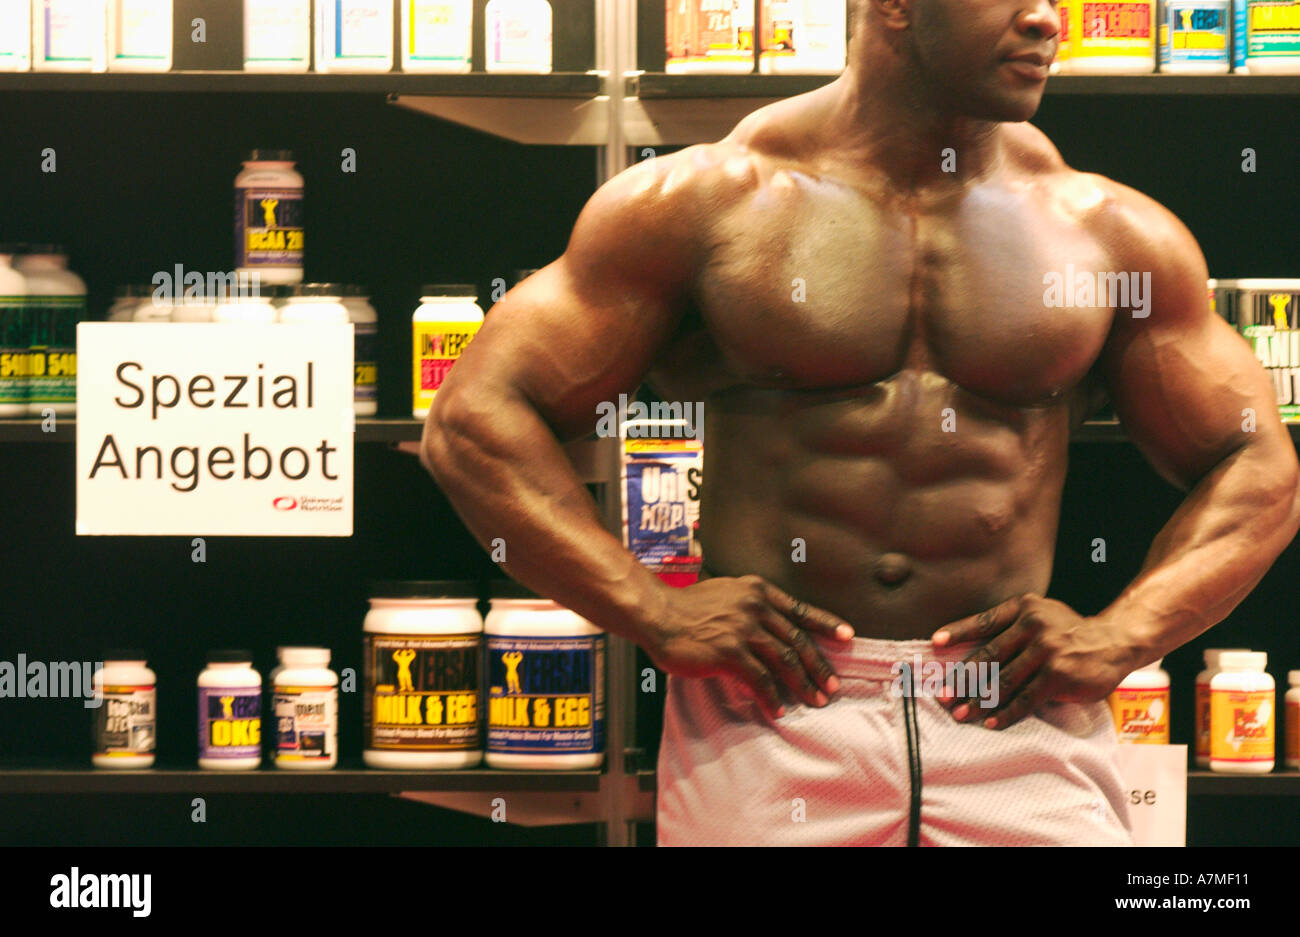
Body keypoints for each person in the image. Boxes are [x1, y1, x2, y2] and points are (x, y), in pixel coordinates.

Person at [420, 0, 1300, 845]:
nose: (1044, 17)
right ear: (895, 4)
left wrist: (1125, 634)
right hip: (771, 719)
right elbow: (473, 419)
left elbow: (1259, 465)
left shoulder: (1105, 231)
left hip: (1015, 713)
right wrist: (654, 611)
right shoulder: (709, 200)